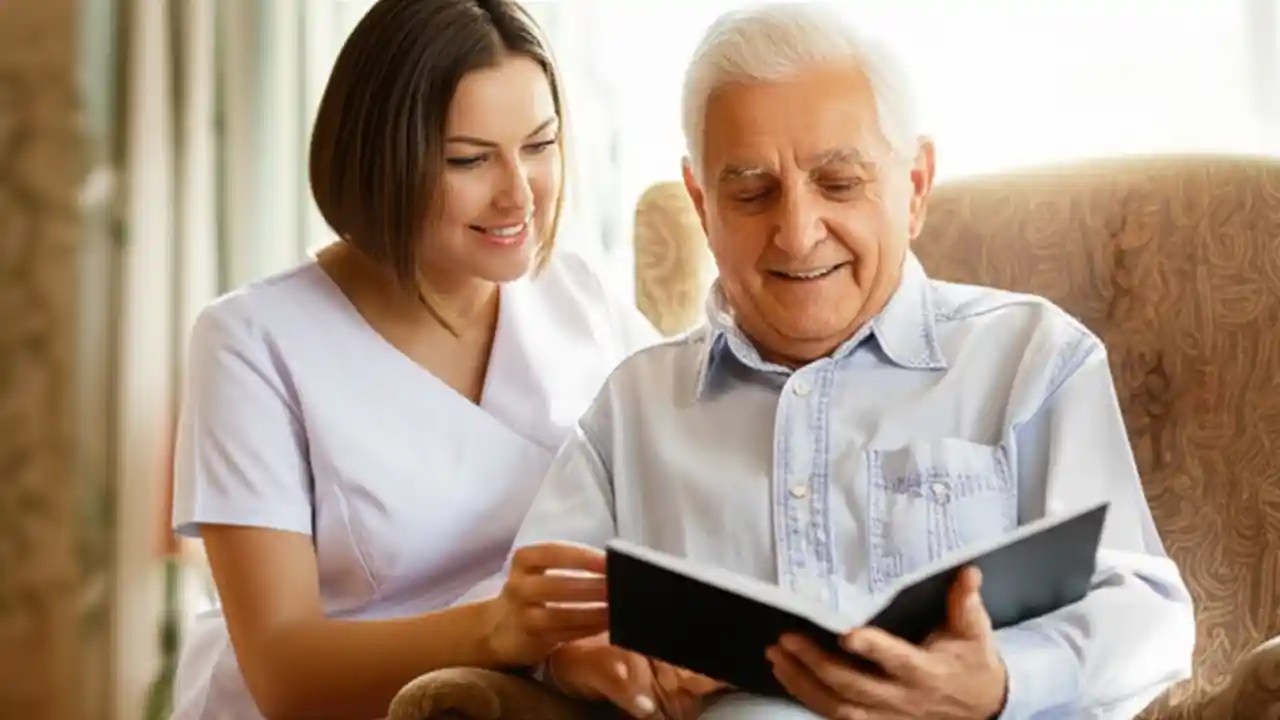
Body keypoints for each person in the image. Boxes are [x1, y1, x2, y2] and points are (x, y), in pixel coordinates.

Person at [508, 3, 1197, 718]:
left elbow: (1149, 615)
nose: (798, 234)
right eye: (751, 193)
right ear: (702, 204)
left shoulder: (1033, 361)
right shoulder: (631, 410)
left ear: (916, 187)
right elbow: (532, 620)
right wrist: (583, 659)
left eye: (839, 184)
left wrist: (998, 683)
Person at [167, 1, 659, 718]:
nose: (519, 193)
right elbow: (283, 672)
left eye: (540, 145)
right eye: (469, 159)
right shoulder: (252, 342)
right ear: (380, 156)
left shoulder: (582, 301)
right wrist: (502, 630)